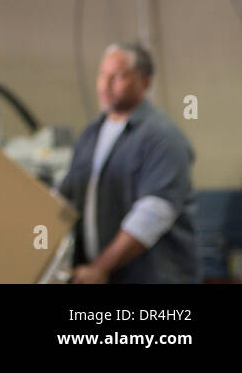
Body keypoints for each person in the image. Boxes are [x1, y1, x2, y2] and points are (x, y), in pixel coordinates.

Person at [57, 42, 199, 283]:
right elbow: (66, 197)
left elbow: (154, 213)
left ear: (144, 82)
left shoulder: (162, 136)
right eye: (102, 74)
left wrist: (101, 267)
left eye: (118, 76)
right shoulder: (91, 134)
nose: (105, 84)